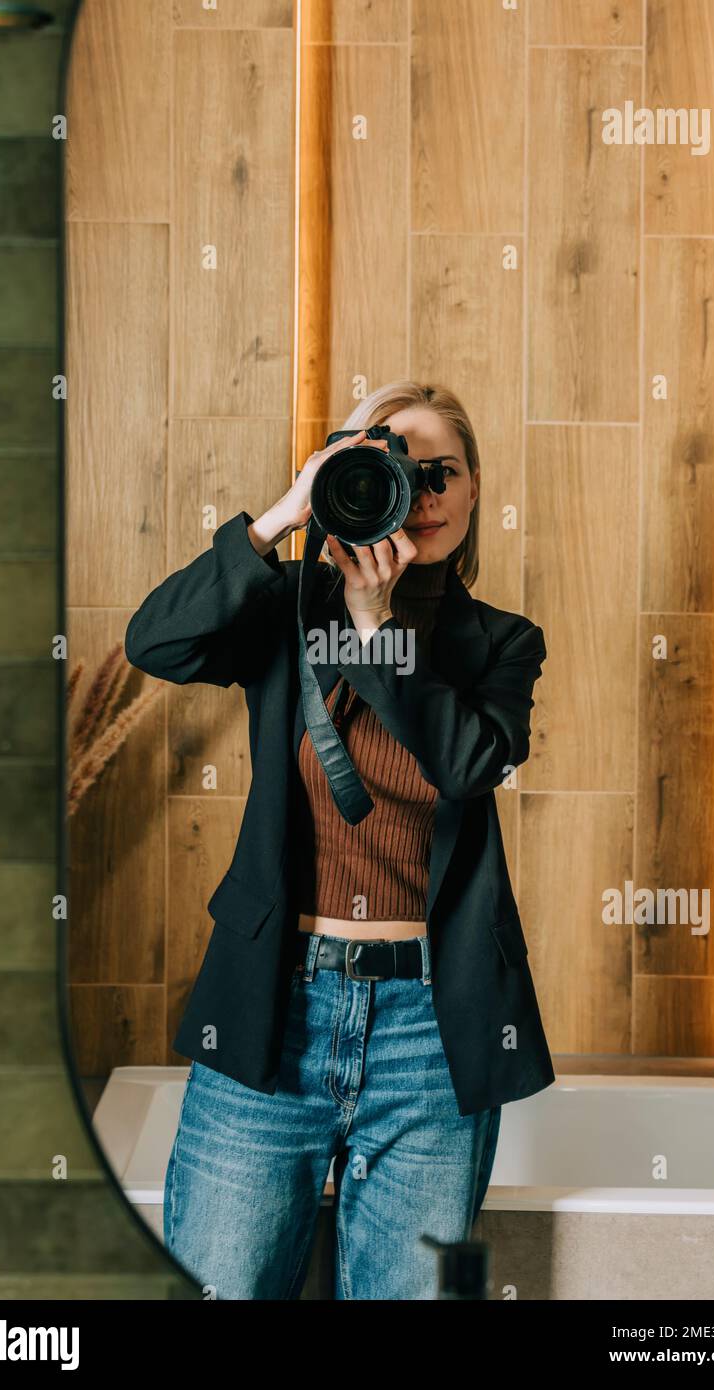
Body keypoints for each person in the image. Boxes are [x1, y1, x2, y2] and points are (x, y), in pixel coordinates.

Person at [124, 380, 555, 1299]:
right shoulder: (289, 608)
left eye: (439, 472)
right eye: (392, 465)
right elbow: (155, 642)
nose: (421, 492)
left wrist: (378, 626)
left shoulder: (504, 645)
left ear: (474, 489)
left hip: (431, 1035)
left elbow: (468, 764)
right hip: (274, 1008)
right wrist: (284, 514)